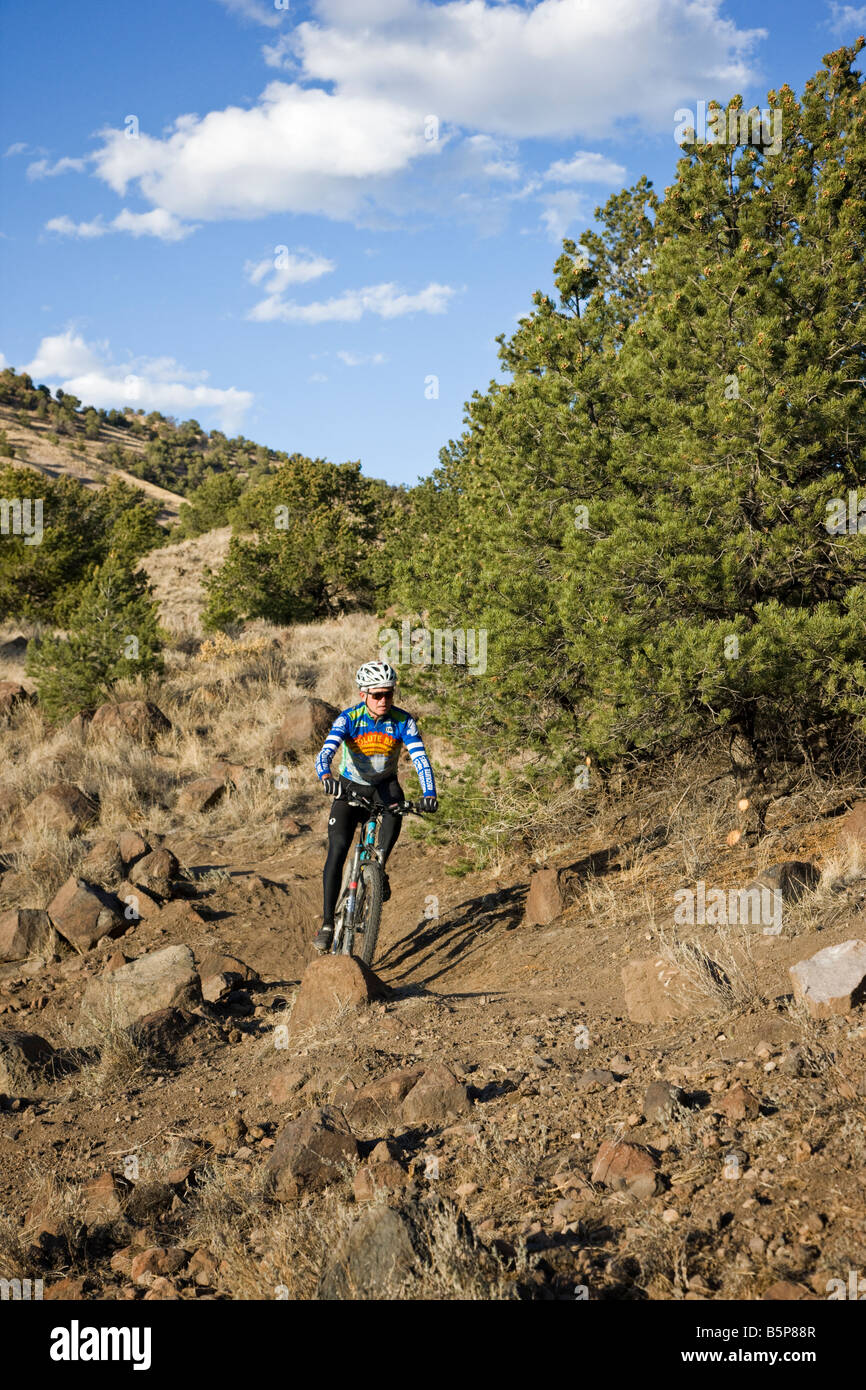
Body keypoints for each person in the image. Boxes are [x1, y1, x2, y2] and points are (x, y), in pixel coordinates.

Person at [312, 661, 438, 952]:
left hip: (385, 786)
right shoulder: (348, 718)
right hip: (349, 787)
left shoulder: (403, 721)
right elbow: (326, 751)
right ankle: (328, 923)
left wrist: (429, 792)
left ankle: (378, 870)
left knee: (397, 810)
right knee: (338, 850)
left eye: (389, 694)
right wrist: (326, 777)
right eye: (378, 695)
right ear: (363, 695)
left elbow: (420, 758)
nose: (384, 701)